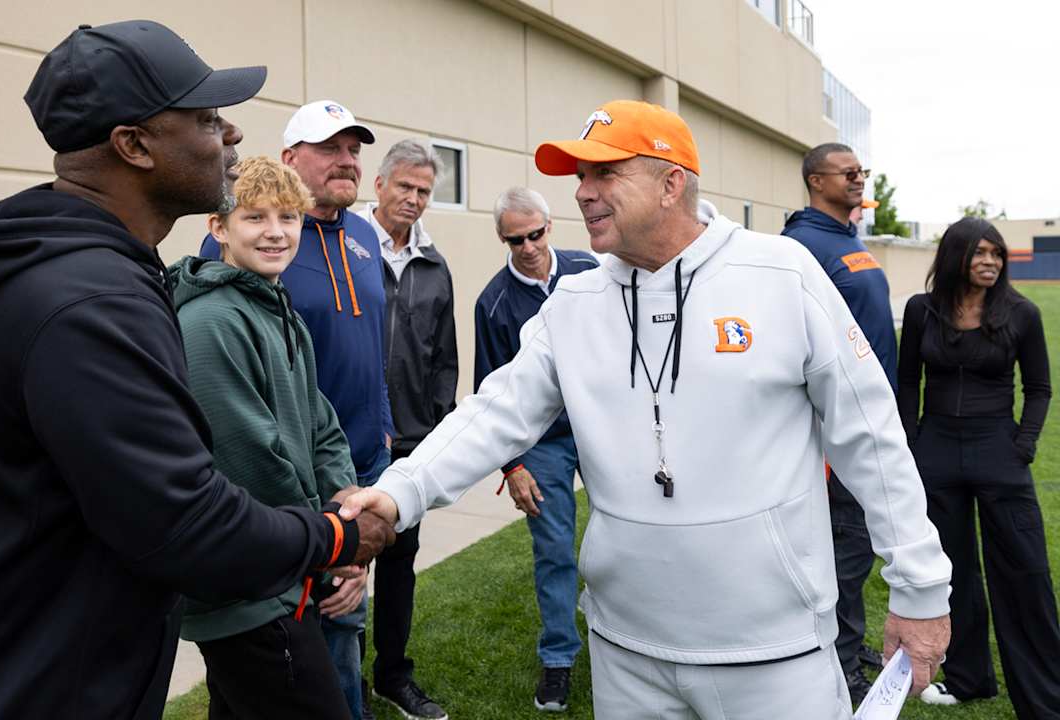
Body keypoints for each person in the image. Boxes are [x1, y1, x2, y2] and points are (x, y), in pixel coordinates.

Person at [0, 21, 392, 720]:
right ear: (133, 145)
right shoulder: (86, 302)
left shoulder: (87, 271)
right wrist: (339, 535)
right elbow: (187, 524)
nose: (228, 136)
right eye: (204, 119)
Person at [341, 100, 953, 719]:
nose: (582, 194)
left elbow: (870, 434)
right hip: (626, 654)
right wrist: (400, 492)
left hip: (776, 653)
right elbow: (495, 412)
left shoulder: (780, 274)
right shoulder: (574, 302)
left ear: (671, 183)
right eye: (579, 176)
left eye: (604, 174)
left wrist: (921, 587)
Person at [200, 100, 391, 720]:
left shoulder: (281, 300)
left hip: (323, 519)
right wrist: (336, 539)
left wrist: (346, 500)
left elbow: (320, 420)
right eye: (255, 217)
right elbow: (252, 454)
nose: (276, 230)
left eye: (287, 217)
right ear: (220, 227)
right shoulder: (215, 315)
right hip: (264, 564)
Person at [900, 217, 1060, 717]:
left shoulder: (1021, 313)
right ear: (955, 257)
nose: (990, 261)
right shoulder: (921, 311)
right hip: (938, 450)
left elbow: (1038, 388)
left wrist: (1023, 445)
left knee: (1024, 571)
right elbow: (907, 384)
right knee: (952, 571)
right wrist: (913, 441)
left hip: (999, 450)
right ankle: (968, 679)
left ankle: (1046, 698)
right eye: (979, 253)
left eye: (996, 254)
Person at [473, 186, 598, 712]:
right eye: (515, 238)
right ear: (503, 238)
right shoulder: (494, 303)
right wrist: (514, 464)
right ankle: (558, 659)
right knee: (553, 551)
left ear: (551, 226)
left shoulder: (590, 270)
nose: (527, 246)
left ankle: (637, 633)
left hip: (601, 427)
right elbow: (492, 392)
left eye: (536, 234)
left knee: (632, 526)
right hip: (541, 445)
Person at [782, 142, 892, 703]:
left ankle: (850, 640)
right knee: (845, 548)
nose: (857, 179)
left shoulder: (849, 239)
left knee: (857, 543)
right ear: (814, 180)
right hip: (835, 430)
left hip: (871, 418)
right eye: (847, 171)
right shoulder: (801, 245)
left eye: (861, 171)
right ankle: (840, 664)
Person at [356, 139, 456, 720]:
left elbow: (444, 358)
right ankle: (344, 684)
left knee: (398, 568)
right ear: (380, 185)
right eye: (405, 188)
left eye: (423, 192)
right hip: (352, 435)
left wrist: (433, 429)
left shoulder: (434, 264)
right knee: (340, 565)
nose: (414, 200)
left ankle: (392, 675)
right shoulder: (349, 246)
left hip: (410, 446)